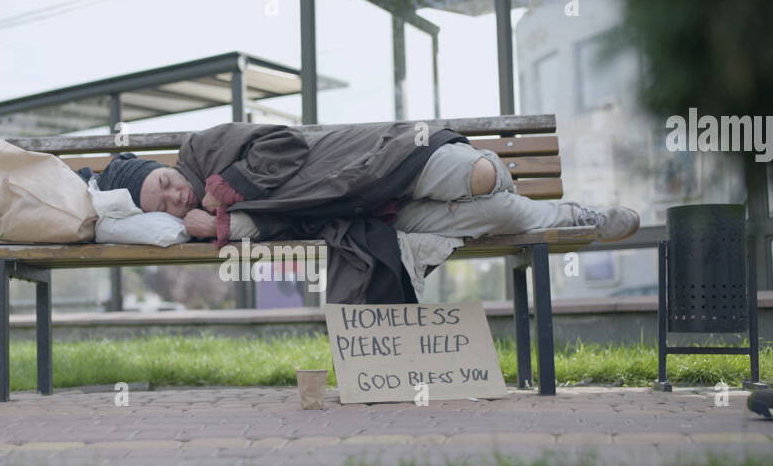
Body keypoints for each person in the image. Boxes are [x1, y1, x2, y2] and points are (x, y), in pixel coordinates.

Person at [76, 122, 639, 304]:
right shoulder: (195, 227)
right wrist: (220, 227)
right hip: (373, 218)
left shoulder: (203, 150)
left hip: (375, 167)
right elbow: (286, 225)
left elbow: (283, 144)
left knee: (481, 177)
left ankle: (492, 176)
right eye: (164, 204)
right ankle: (585, 219)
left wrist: (224, 191)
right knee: (505, 217)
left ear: (166, 167)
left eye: (167, 185)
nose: (175, 198)